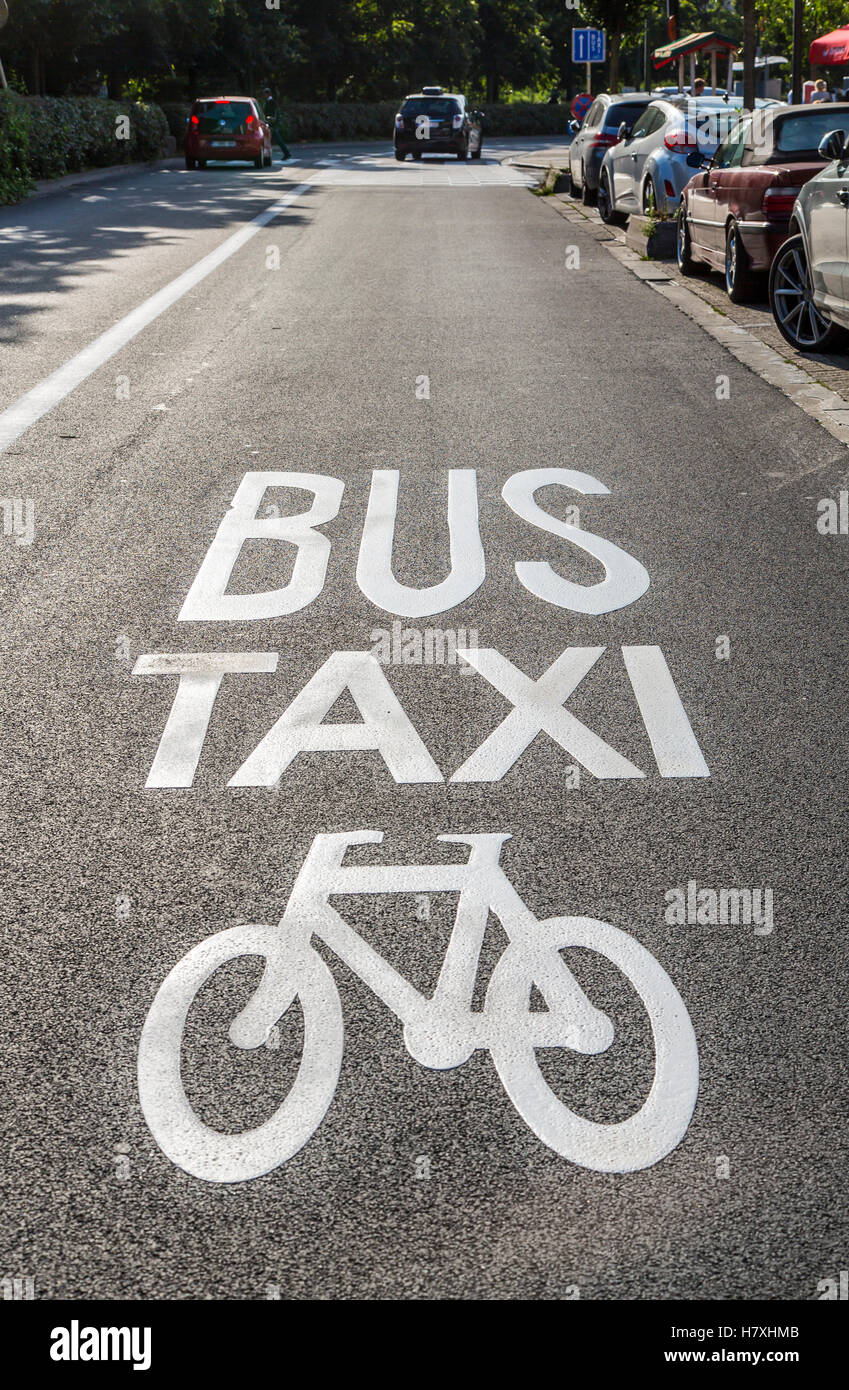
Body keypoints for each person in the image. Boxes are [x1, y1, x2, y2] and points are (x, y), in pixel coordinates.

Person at [263, 87, 290, 160]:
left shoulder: (272, 102)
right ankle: (286, 153)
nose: (264, 95)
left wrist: (269, 120)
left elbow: (274, 114)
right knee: (272, 140)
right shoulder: (269, 102)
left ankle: (286, 153)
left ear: (268, 94)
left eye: (265, 94)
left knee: (276, 140)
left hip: (272, 124)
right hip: (270, 124)